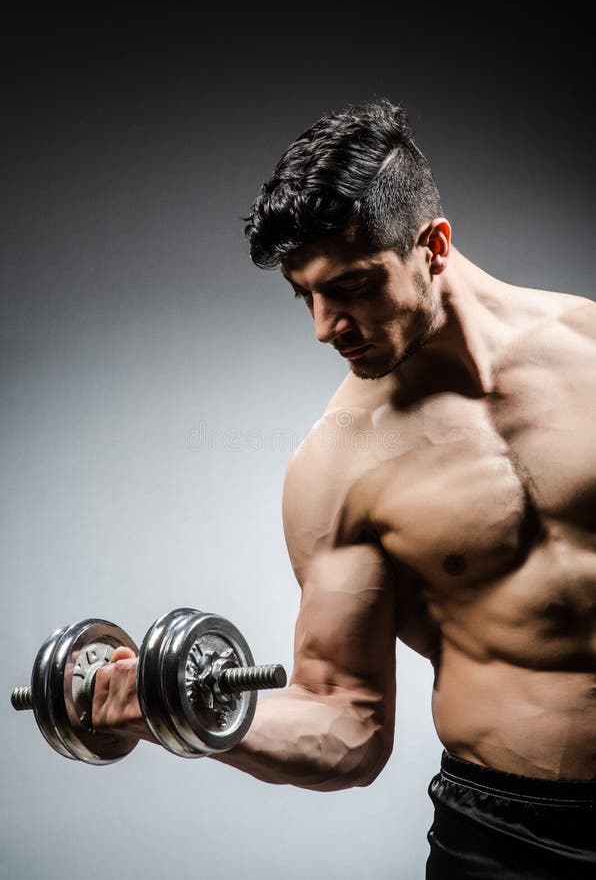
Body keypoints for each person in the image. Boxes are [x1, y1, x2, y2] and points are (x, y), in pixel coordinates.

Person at [92, 99, 596, 878]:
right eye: (306, 294)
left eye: (353, 286)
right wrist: (181, 710)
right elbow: (346, 724)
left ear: (433, 245)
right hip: (507, 838)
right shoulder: (337, 467)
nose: (326, 327)